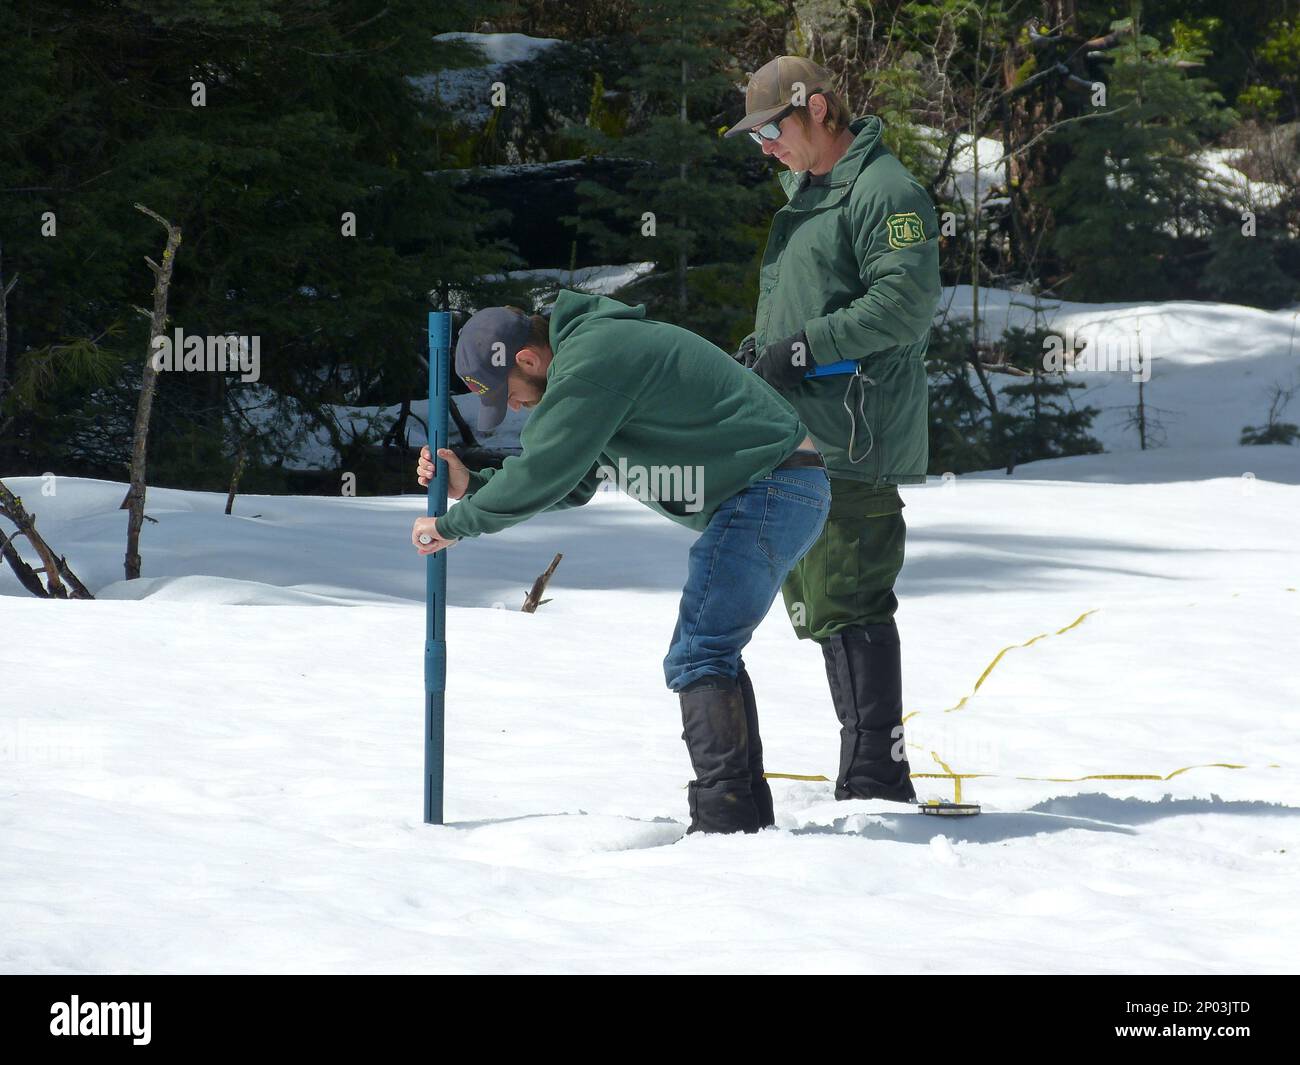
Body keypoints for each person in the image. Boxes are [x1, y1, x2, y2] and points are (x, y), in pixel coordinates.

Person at [412, 291, 830, 834]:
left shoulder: (593, 359)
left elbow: (545, 470)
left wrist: (451, 526)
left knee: (700, 652)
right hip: (780, 488)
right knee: (711, 650)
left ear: (528, 360)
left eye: (507, 395)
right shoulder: (591, 360)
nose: (511, 408)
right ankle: (742, 820)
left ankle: (726, 826)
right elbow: (573, 480)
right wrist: (476, 488)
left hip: (771, 488)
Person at [723, 56, 942, 803]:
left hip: (856, 435)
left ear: (817, 108)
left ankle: (878, 777)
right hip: (804, 438)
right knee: (819, 598)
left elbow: (905, 307)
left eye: (772, 132)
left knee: (850, 594)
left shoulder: (886, 191)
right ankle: (869, 773)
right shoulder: (811, 192)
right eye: (755, 141)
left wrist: (804, 346)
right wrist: (765, 353)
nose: (766, 150)